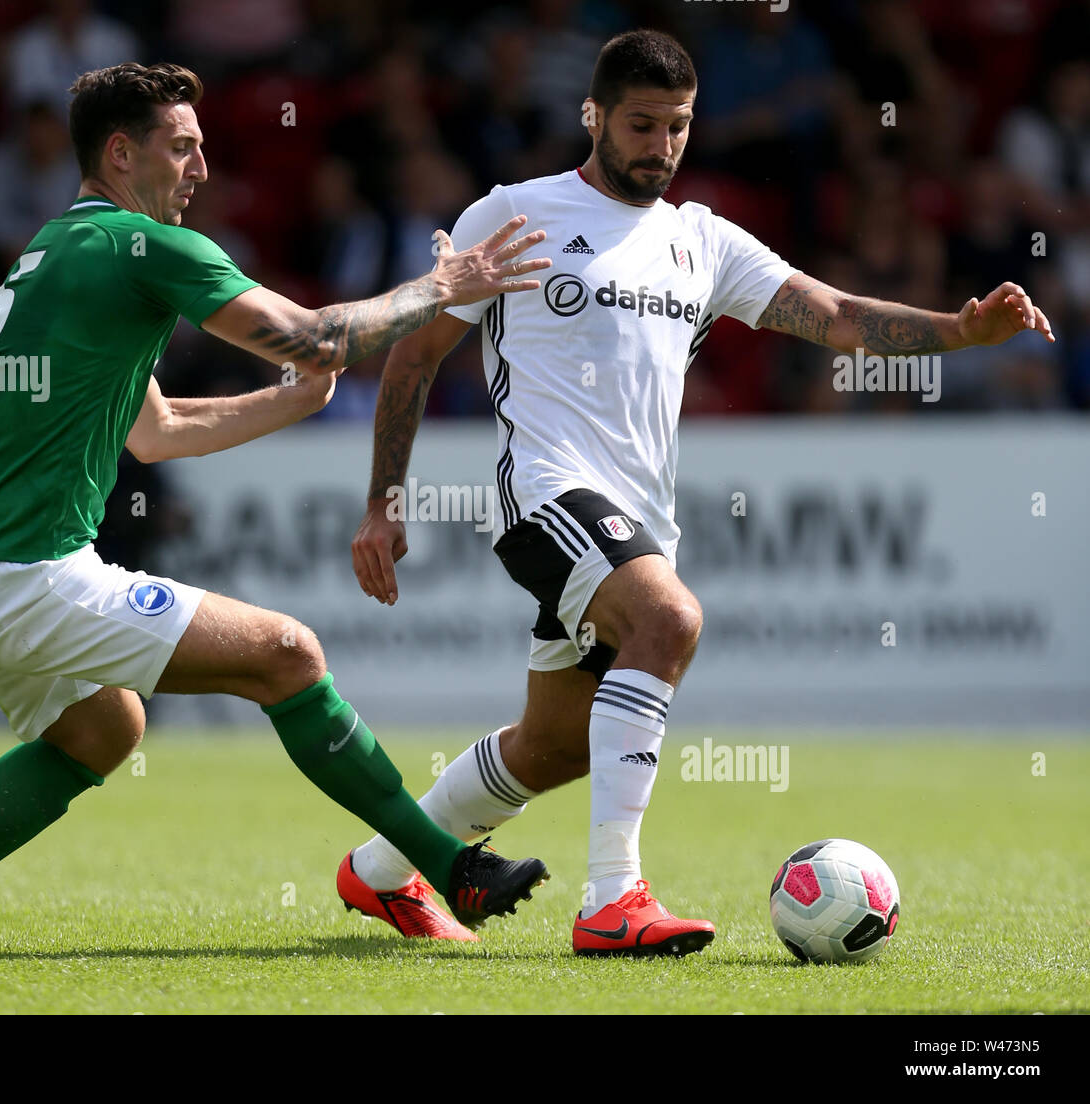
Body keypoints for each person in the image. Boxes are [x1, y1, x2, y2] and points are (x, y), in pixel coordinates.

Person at [344, 29, 1055, 954]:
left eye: (678, 126)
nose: (662, 145)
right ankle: (613, 900)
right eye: (642, 124)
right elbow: (414, 357)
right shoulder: (515, 213)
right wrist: (385, 501)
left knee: (554, 746)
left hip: (639, 518)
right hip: (547, 495)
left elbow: (836, 316)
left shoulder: (701, 240)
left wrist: (959, 331)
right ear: (594, 116)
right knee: (669, 621)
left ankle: (379, 869)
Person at [0, 61, 553, 951]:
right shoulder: (145, 249)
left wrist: (289, 402)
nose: (201, 169)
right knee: (288, 655)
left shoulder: (60, 251)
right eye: (181, 147)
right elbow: (319, 336)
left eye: (203, 148)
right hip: (23, 576)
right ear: (119, 153)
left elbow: (156, 431)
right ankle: (451, 866)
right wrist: (442, 286)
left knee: (105, 726)